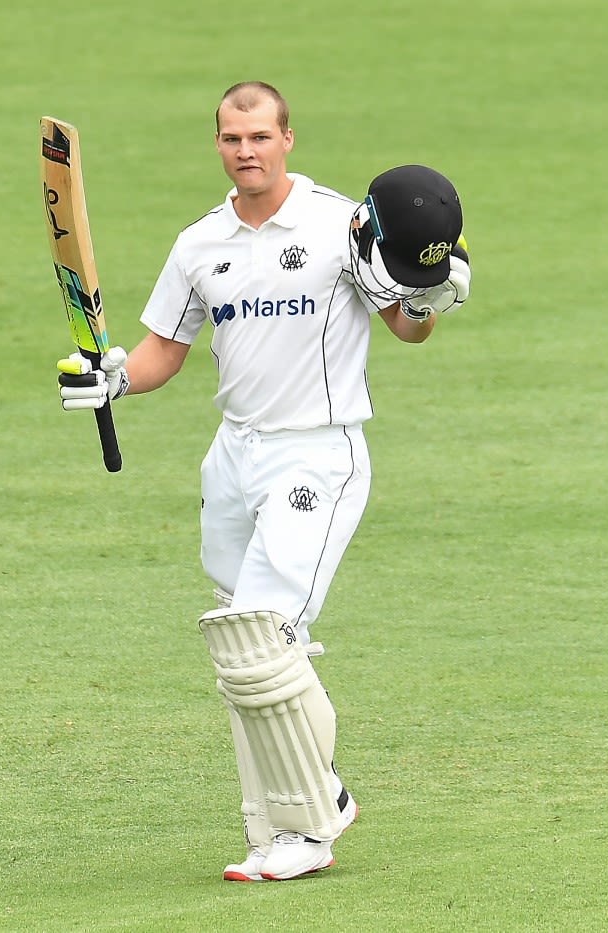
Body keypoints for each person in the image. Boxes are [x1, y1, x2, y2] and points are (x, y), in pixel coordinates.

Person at [58, 81, 471, 882]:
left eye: (258, 135)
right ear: (218, 144)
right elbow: (162, 352)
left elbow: (403, 324)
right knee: (238, 648)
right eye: (229, 137)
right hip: (234, 456)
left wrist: (432, 297)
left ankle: (316, 812)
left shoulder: (341, 222)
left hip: (317, 452)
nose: (244, 149)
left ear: (287, 139)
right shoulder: (199, 243)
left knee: (262, 634)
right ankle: (271, 831)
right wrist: (108, 377)